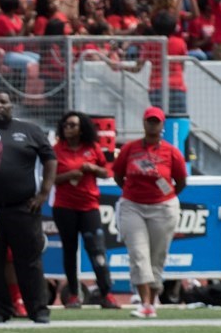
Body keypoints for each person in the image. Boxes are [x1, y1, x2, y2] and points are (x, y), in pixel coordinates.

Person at [0, 89, 54, 324]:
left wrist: (44, 193)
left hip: (24, 207)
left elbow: (50, 159)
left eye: (3, 102)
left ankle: (38, 309)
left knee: (29, 260)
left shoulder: (30, 130)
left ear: (12, 105)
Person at [113, 106, 186, 319]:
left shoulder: (171, 152)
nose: (153, 125)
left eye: (156, 121)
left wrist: (166, 196)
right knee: (138, 253)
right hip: (133, 205)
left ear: (162, 125)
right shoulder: (130, 148)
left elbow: (181, 181)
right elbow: (118, 174)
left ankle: (151, 302)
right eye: (149, 121)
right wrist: (132, 191)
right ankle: (144, 302)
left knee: (157, 256)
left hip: (162, 207)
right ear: (144, 123)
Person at [51, 110, 117, 308]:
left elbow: (107, 172)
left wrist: (93, 169)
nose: (68, 128)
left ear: (82, 129)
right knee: (69, 250)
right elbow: (50, 178)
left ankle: (106, 293)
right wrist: (70, 175)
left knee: (97, 249)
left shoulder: (92, 148)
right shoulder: (56, 149)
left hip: (89, 206)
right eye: (65, 125)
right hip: (64, 207)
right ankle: (73, 294)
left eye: (72, 125)